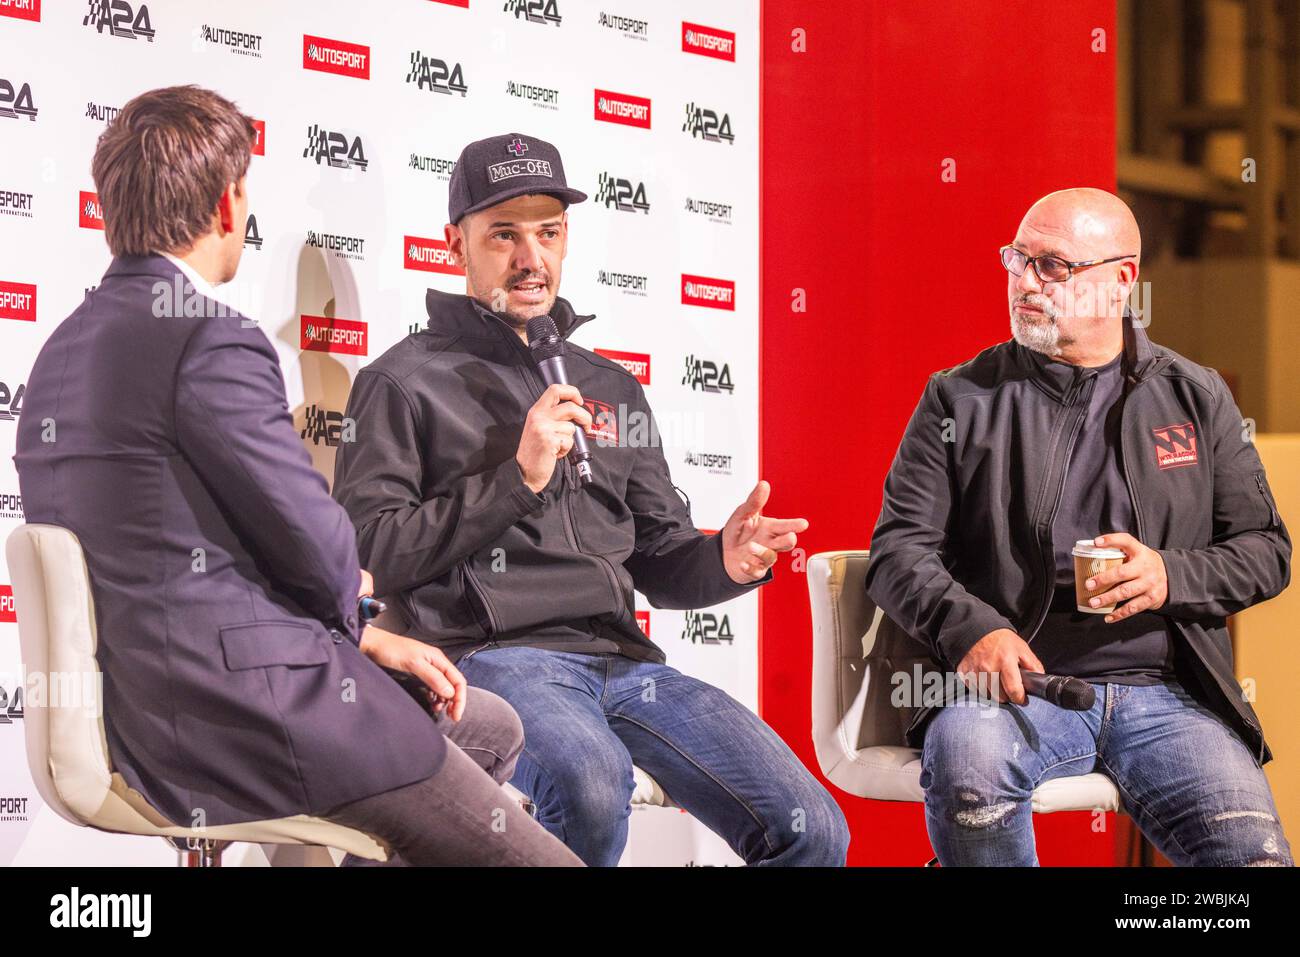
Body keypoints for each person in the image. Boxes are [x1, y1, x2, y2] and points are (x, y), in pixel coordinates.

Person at [13, 86, 579, 867]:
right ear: (226, 202)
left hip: (141, 714)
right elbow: (319, 546)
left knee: (490, 724)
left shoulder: (57, 357)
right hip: (247, 719)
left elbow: (192, 559)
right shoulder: (209, 342)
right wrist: (353, 618)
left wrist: (368, 640)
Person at [332, 132, 850, 866]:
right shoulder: (401, 383)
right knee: (593, 787)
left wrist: (726, 561)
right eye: (503, 234)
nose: (529, 257)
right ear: (456, 244)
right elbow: (368, 557)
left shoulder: (609, 386)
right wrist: (517, 477)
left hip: (626, 665)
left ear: (567, 238)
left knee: (812, 826)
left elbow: (662, 560)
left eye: (546, 232)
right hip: (495, 660)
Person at [864, 187, 1293, 866]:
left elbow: (1267, 552)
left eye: (1053, 266)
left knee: (1254, 858)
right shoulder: (960, 396)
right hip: (1020, 692)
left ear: (1122, 280)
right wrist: (973, 627)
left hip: (1169, 698)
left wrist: (1169, 574)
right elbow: (897, 552)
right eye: (1018, 259)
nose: (1026, 283)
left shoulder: (1195, 395)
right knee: (969, 772)